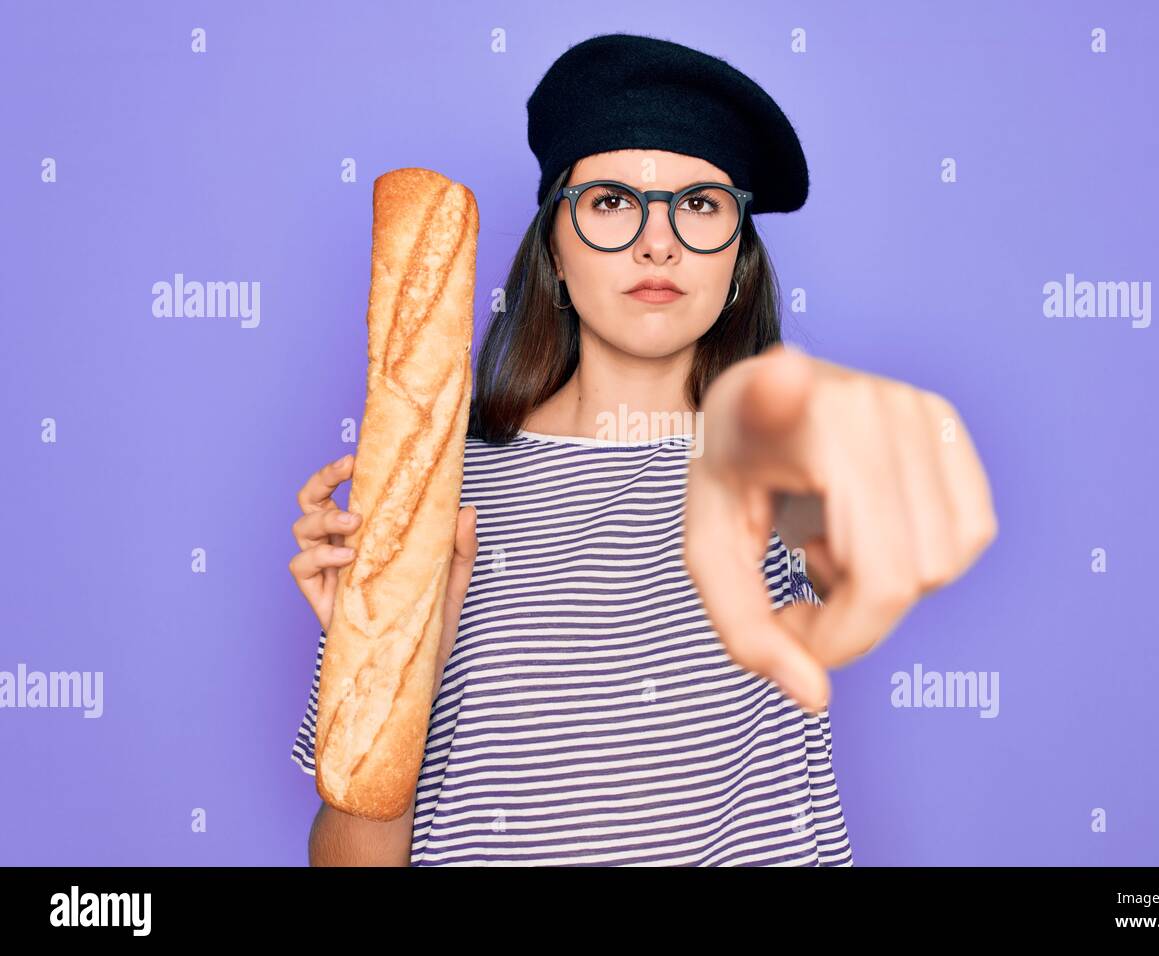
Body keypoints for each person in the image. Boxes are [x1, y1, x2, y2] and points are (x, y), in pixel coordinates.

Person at [287, 33, 996, 866]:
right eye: (613, 201)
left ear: (738, 260)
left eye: (699, 205)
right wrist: (392, 663)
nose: (657, 243)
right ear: (554, 245)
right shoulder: (441, 494)